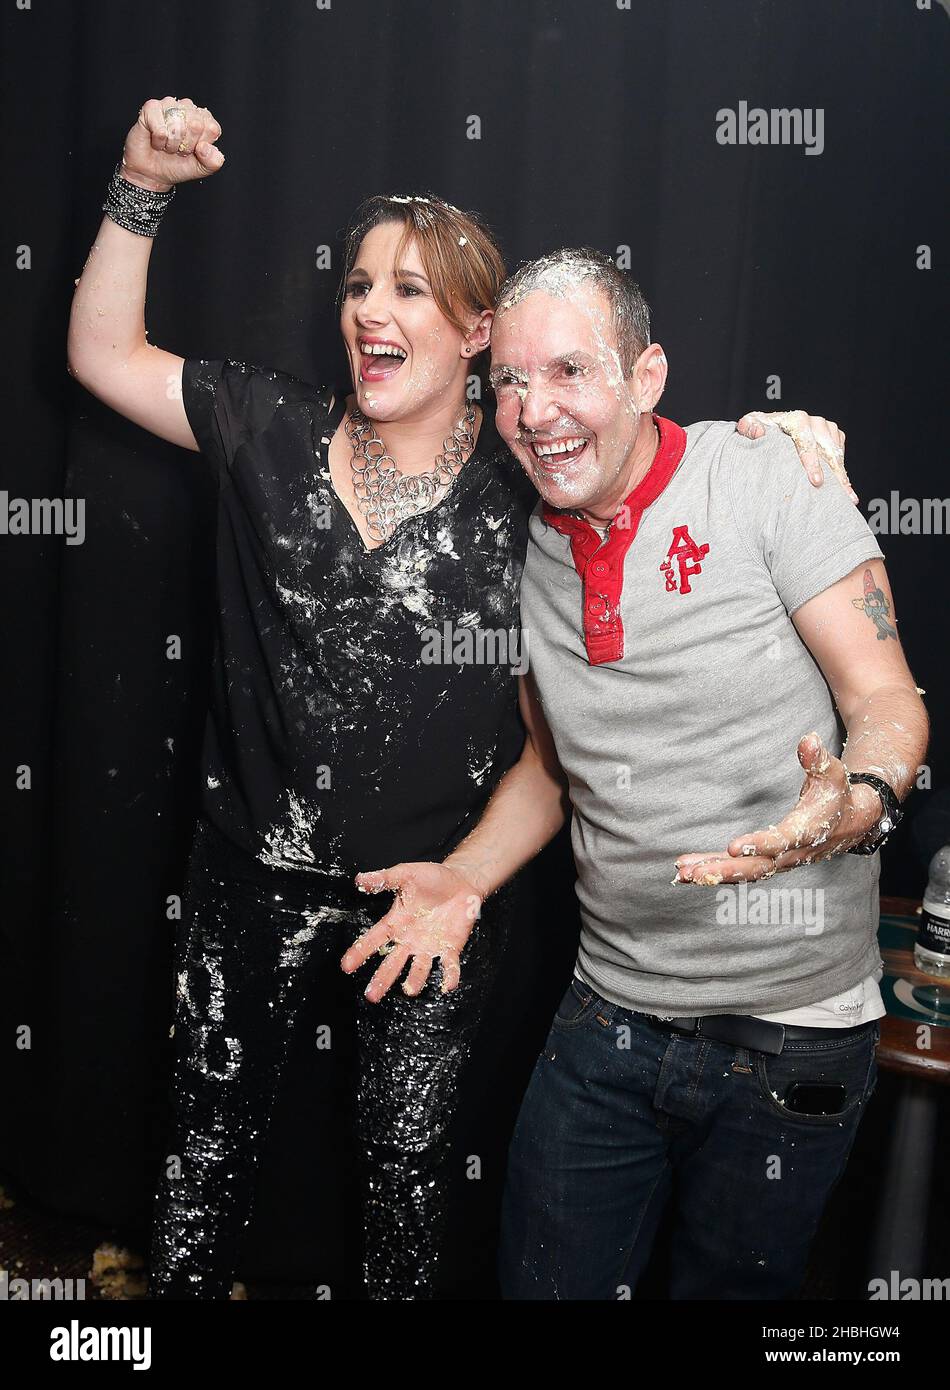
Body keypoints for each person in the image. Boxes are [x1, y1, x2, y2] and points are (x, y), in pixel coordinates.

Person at [67, 96, 850, 1300]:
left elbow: (647, 452)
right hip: (247, 875)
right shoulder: (264, 427)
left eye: (412, 291)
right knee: (201, 1158)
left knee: (407, 1173)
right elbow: (102, 355)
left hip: (431, 897)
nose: (372, 309)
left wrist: (774, 437)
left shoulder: (528, 472)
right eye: (358, 287)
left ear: (478, 330)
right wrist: (139, 185)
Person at [351, 248, 928, 1300]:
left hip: (792, 1036)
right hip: (607, 1018)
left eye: (569, 371)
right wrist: (465, 876)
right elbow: (550, 765)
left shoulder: (764, 476)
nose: (533, 410)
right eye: (512, 381)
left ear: (645, 375)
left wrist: (857, 802)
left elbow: (887, 704)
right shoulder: (530, 544)